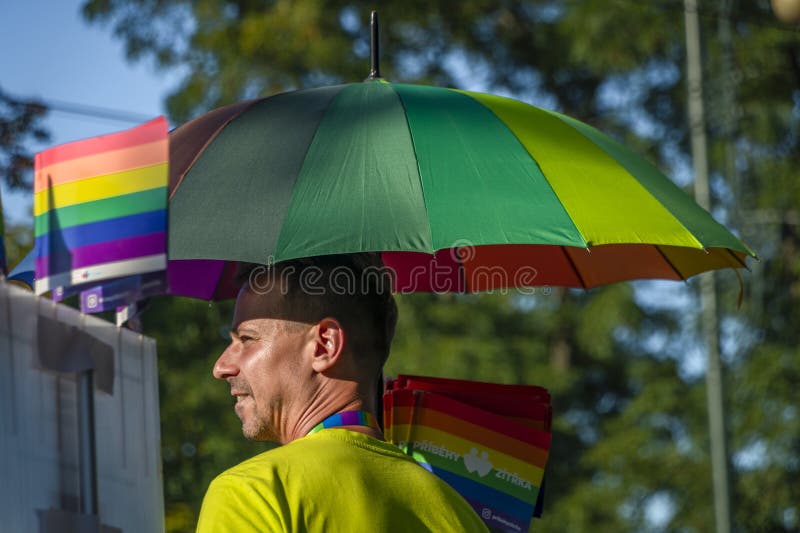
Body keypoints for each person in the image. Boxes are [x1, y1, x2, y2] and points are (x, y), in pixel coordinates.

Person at [196, 254, 489, 532]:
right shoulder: (459, 513)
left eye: (247, 339)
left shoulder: (253, 494)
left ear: (324, 345)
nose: (221, 367)